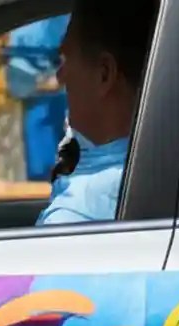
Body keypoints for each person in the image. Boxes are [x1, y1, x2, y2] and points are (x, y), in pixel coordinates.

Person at [37, 0, 158, 226]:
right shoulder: (174, 171)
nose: (60, 76)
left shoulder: (75, 217)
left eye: (65, 60)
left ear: (104, 74)